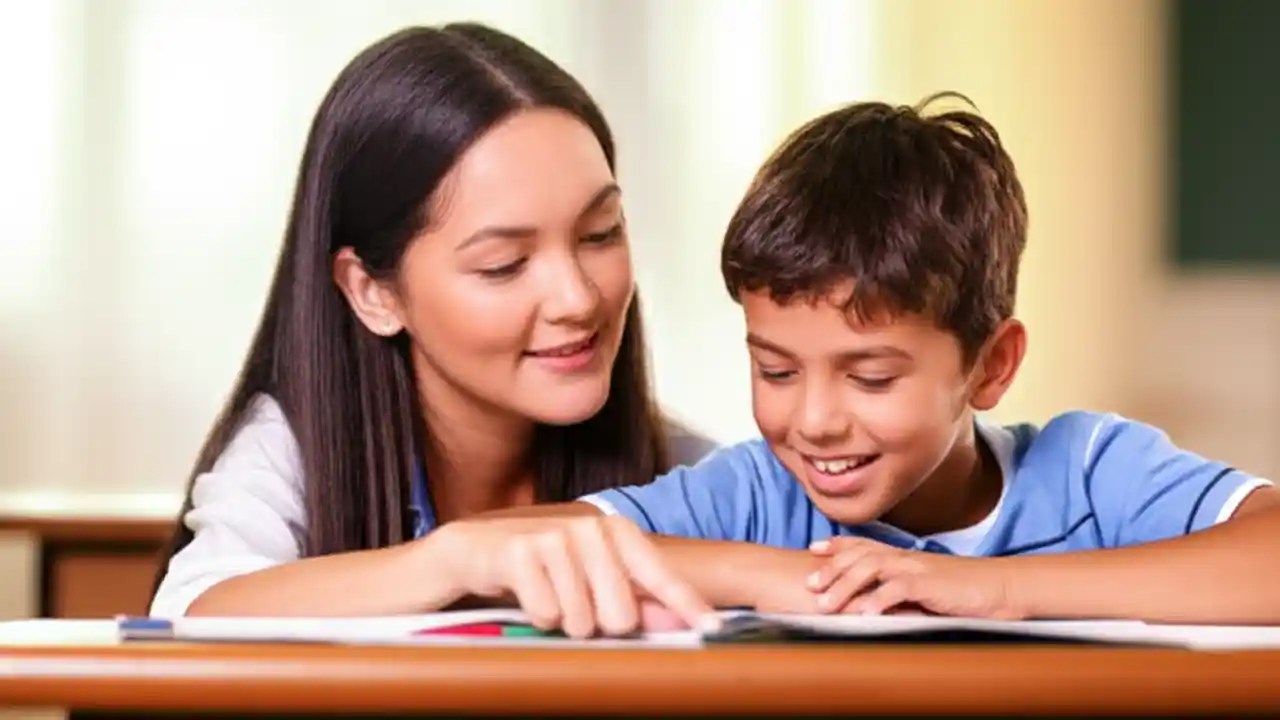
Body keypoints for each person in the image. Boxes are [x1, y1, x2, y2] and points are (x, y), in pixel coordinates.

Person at [475, 93, 1280, 629]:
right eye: (777, 371)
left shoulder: (1090, 473)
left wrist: (990, 590)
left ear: (991, 366)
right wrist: (763, 575)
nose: (815, 421)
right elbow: (509, 545)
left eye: (871, 378)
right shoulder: (753, 496)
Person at [149, 23, 716, 631]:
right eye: (504, 264)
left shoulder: (684, 467)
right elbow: (189, 615)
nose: (577, 298)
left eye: (600, 234)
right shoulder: (293, 449)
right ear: (373, 291)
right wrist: (454, 559)